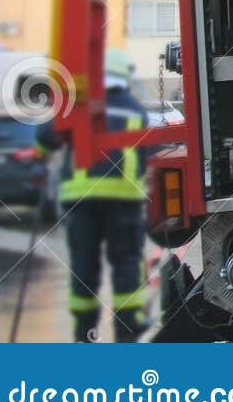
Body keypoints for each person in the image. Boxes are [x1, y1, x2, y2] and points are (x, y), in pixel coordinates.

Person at [38, 49, 152, 342]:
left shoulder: (77, 107)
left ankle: (85, 334)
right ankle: (128, 333)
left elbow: (45, 137)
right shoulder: (135, 111)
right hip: (124, 199)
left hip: (82, 199)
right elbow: (145, 152)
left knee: (84, 264)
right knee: (126, 261)